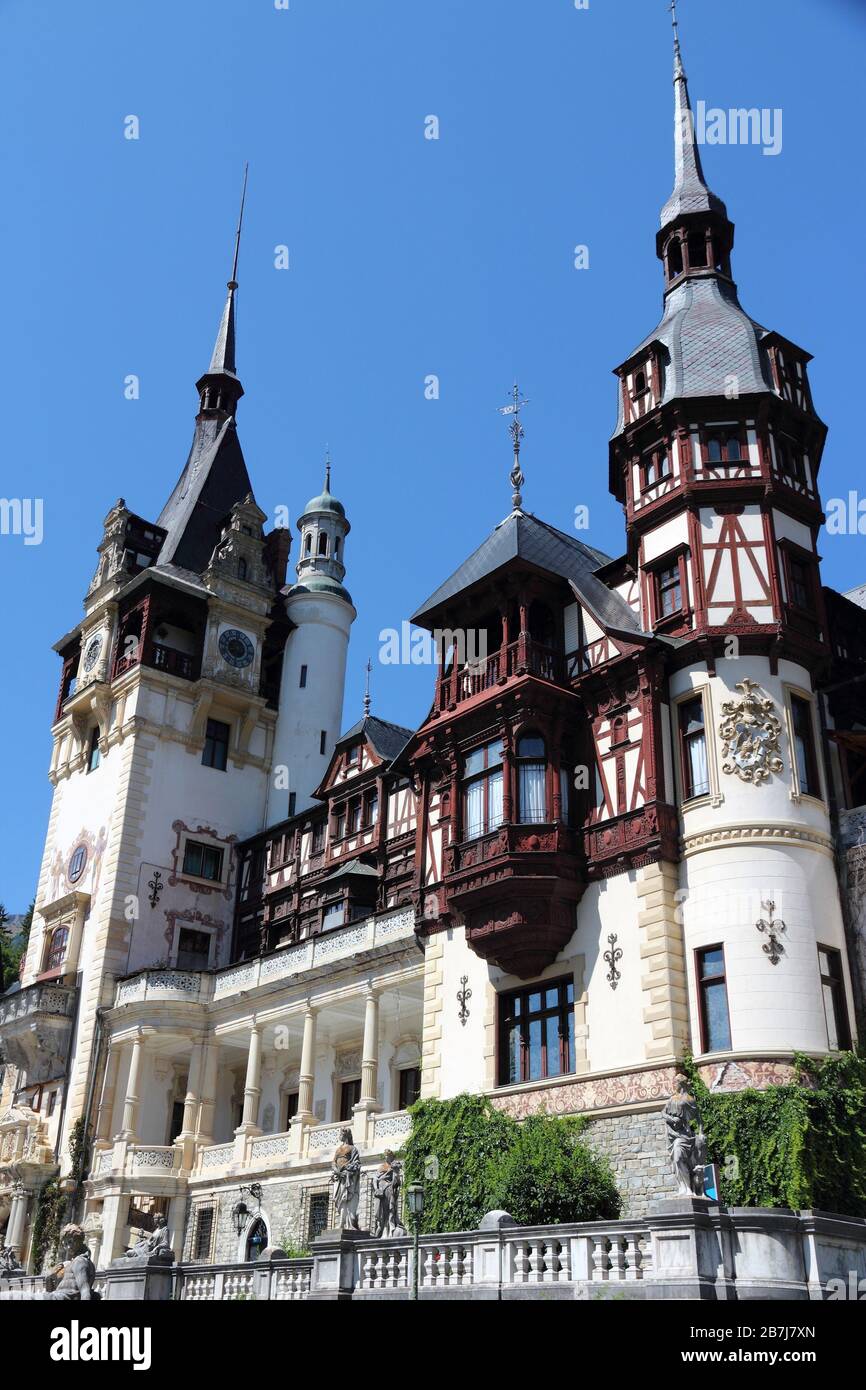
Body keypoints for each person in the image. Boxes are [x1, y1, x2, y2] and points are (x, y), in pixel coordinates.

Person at [663, 1074, 707, 1196]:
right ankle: (684, 1187)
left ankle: (689, 1189)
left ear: (681, 1084)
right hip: (675, 1135)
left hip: (686, 1134)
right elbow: (663, 1113)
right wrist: (672, 1119)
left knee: (685, 1160)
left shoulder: (689, 1100)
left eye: (676, 1083)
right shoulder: (672, 1099)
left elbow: (699, 1119)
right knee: (677, 1158)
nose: (674, 1085)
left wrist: (701, 1133)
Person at [43, 1225, 99, 1301]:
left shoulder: (80, 1261)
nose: (68, 1247)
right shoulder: (70, 1263)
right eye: (65, 1244)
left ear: (79, 1240)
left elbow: (85, 1290)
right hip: (59, 1295)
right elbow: (50, 1292)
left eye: (70, 1242)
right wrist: (49, 1278)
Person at [331, 1128, 361, 1230]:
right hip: (339, 1177)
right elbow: (333, 1162)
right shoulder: (338, 1149)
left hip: (347, 1178)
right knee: (338, 1199)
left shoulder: (353, 1149)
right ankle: (342, 1222)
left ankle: (342, 1223)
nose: (339, 1136)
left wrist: (347, 1170)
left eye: (341, 1134)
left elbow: (356, 1163)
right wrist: (337, 1171)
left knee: (344, 1199)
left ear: (346, 1135)